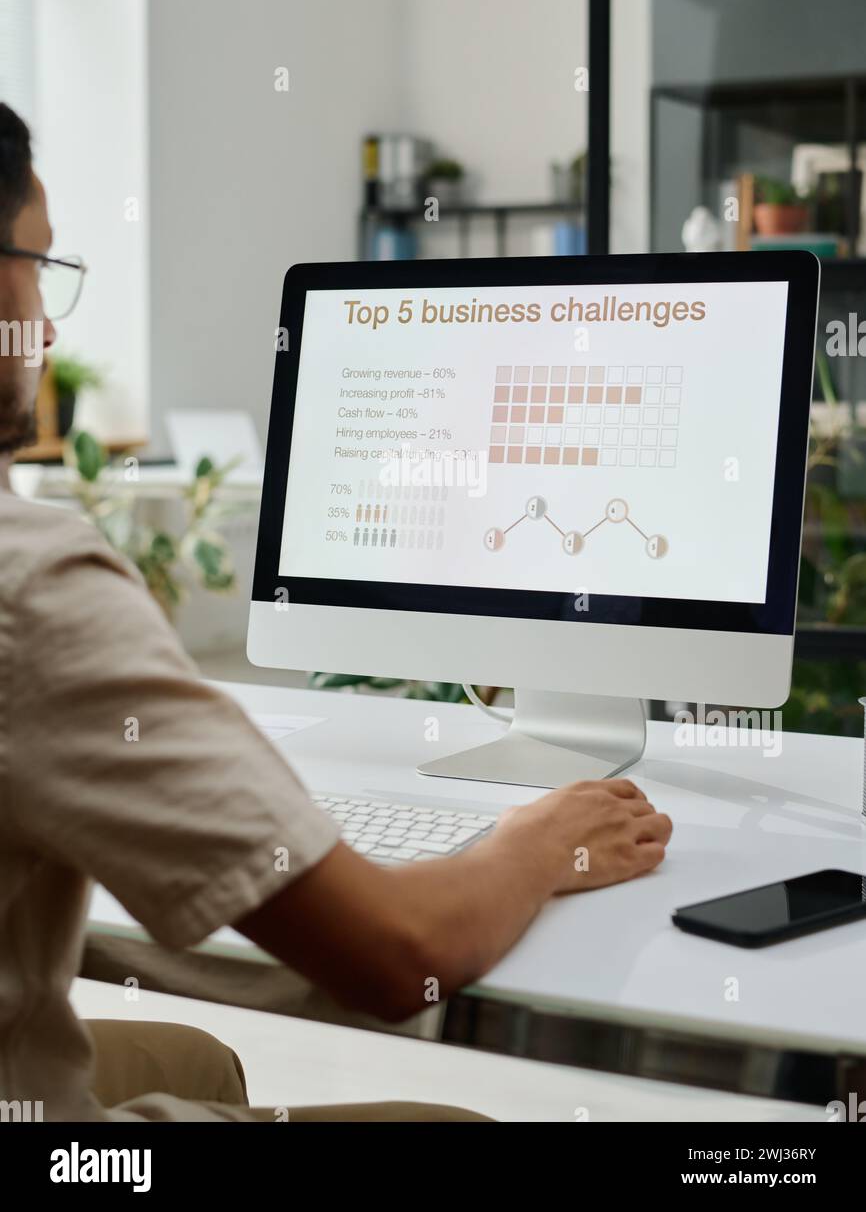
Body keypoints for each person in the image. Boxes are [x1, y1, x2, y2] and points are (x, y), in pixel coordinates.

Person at [0, 103, 673, 1122]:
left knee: (198, 1061)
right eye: (36, 266)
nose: (48, 326)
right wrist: (538, 844)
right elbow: (400, 957)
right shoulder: (33, 590)